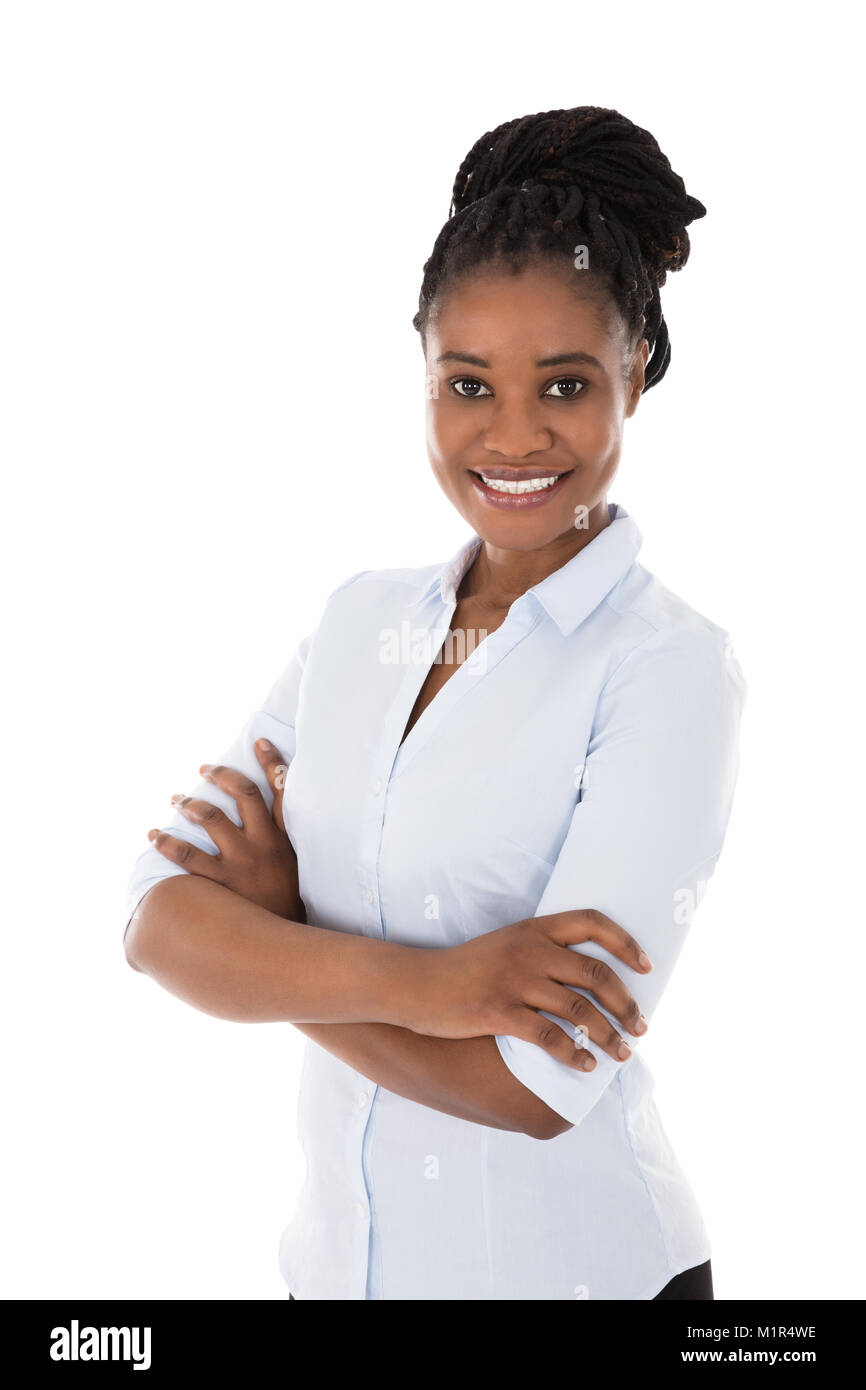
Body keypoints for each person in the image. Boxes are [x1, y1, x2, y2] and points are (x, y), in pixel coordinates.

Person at [123, 105, 746, 1301]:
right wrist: (436, 986)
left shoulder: (667, 670)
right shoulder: (359, 621)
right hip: (337, 1273)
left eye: (563, 383)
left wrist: (279, 944)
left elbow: (533, 1085)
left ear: (637, 374)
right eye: (468, 384)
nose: (512, 436)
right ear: (423, 376)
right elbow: (155, 923)